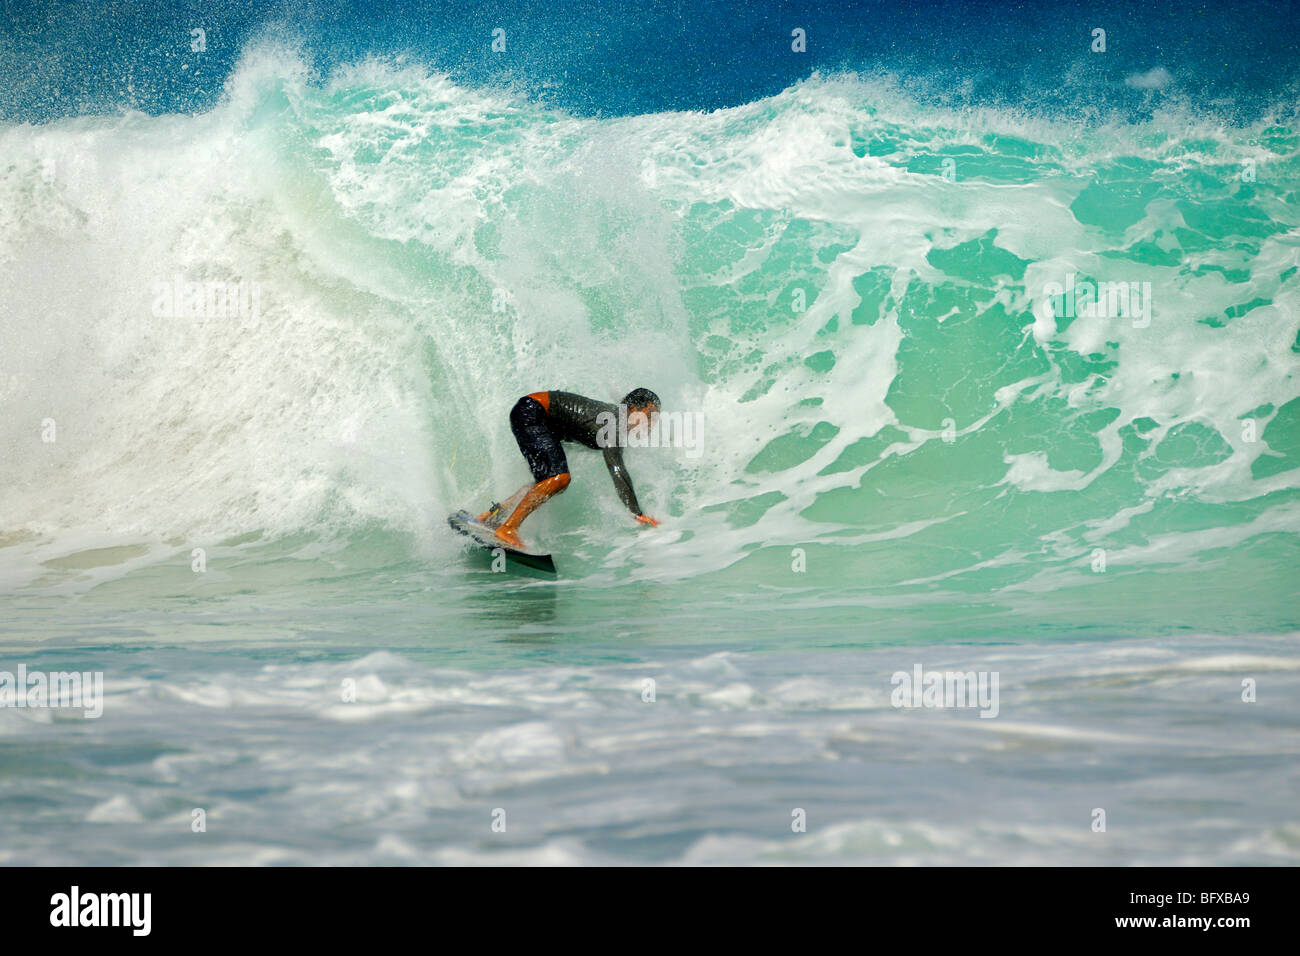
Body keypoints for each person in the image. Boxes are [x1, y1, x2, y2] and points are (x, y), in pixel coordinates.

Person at [478, 388, 662, 548]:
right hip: (532, 412)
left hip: (531, 414)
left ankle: (493, 516)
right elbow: (617, 470)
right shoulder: (613, 425)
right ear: (632, 410)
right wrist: (636, 513)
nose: (653, 423)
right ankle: (508, 529)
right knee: (559, 479)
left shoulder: (614, 423)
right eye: (650, 415)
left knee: (545, 483)